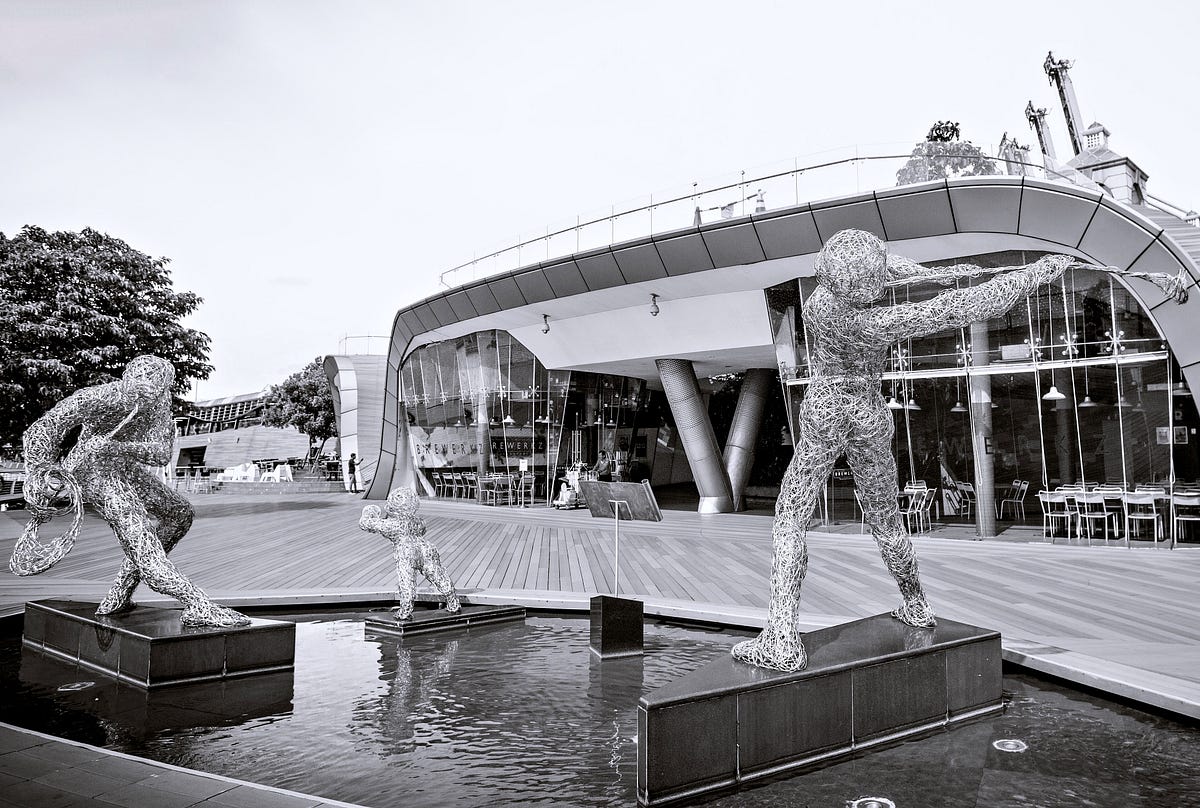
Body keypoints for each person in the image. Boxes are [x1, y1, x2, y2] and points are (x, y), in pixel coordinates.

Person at [731, 229, 1094, 672]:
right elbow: (963, 307)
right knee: (885, 518)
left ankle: (782, 637)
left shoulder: (819, 301)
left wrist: (936, 274)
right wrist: (1036, 273)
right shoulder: (871, 323)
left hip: (826, 409)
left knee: (791, 517)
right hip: (866, 411)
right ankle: (916, 603)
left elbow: (887, 270)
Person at [12, 355, 249, 627]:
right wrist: (41, 472)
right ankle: (196, 602)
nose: (145, 392)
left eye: (152, 388)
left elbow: (161, 453)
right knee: (141, 539)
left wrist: (118, 448)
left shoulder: (158, 402)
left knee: (180, 514)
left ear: (161, 388)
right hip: (93, 472)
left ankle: (120, 592)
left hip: (121, 465)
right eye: (139, 384)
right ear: (127, 378)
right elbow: (44, 427)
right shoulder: (100, 397)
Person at [359, 487, 460, 620]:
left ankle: (405, 610)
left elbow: (366, 524)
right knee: (437, 574)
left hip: (406, 551)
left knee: (407, 580)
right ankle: (453, 602)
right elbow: (422, 530)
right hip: (425, 548)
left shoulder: (392, 524)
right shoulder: (418, 521)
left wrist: (369, 511)